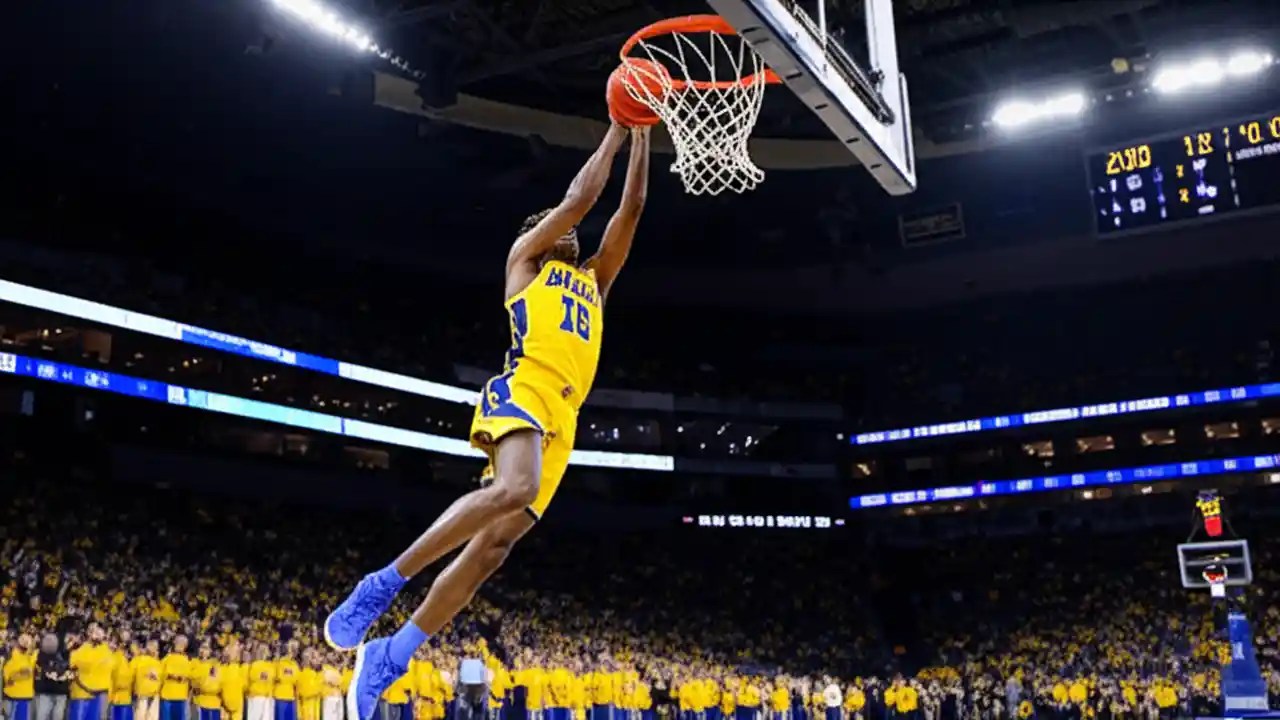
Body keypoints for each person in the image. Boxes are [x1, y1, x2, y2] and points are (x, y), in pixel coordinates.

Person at [326, 121, 652, 720]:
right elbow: (580, 200)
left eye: (575, 232)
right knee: (516, 487)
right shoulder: (524, 263)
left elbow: (629, 207)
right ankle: (382, 584)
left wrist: (645, 134)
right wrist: (615, 126)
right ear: (540, 233)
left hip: (565, 415)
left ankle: (389, 656)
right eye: (558, 225)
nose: (573, 231)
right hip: (523, 383)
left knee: (494, 549)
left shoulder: (595, 282)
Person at [34, 634, 70, 720]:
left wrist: (65, 675)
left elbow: (71, 668)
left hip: (61, 691)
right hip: (45, 691)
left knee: (57, 716)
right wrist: (49, 673)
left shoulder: (67, 654)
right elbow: (41, 667)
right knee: (42, 715)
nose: (50, 644)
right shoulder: (41, 655)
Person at [4, 633, 37, 720]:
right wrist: (20, 673)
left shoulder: (30, 657)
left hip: (25, 696)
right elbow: (8, 677)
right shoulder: (11, 656)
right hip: (13, 696)